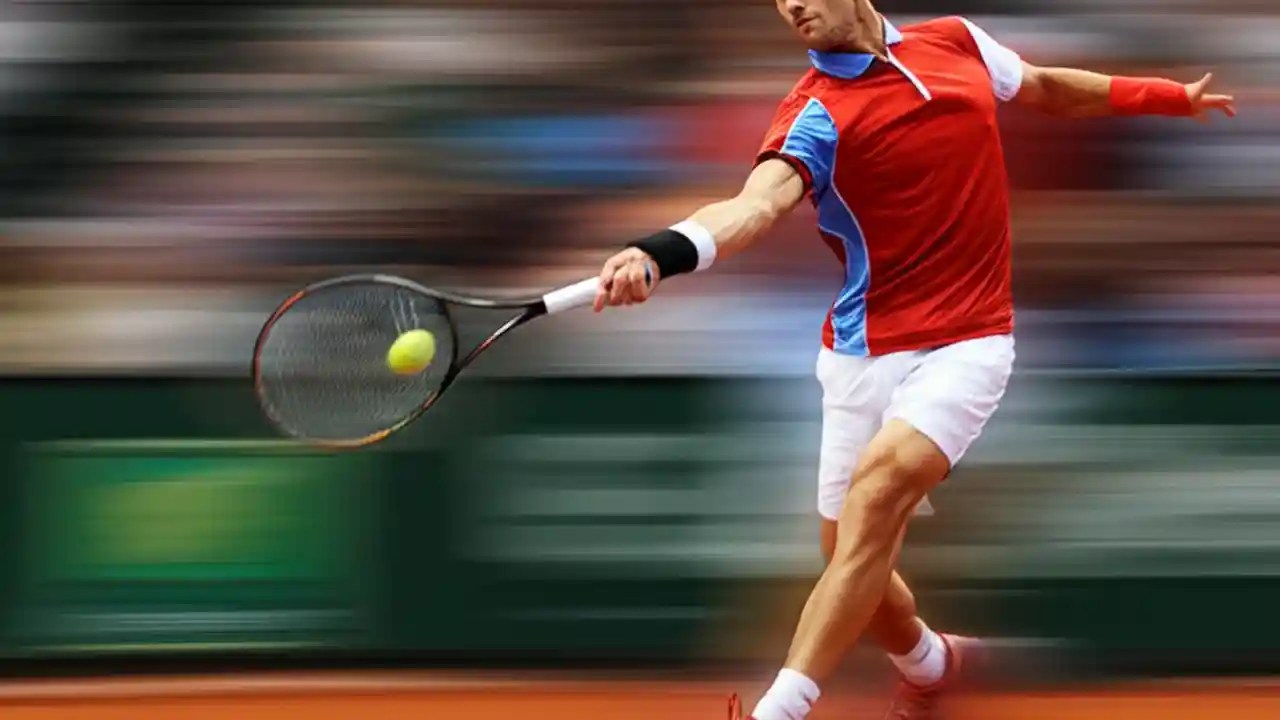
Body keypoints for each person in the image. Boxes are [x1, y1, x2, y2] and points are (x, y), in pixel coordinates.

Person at [591, 1, 1237, 718]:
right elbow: (754, 207)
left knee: (874, 500)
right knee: (850, 561)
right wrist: (659, 253)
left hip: (968, 342)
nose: (793, 5)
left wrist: (1166, 97)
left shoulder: (956, 41)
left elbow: (1044, 86)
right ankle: (933, 664)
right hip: (858, 355)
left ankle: (780, 710)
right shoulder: (813, 115)